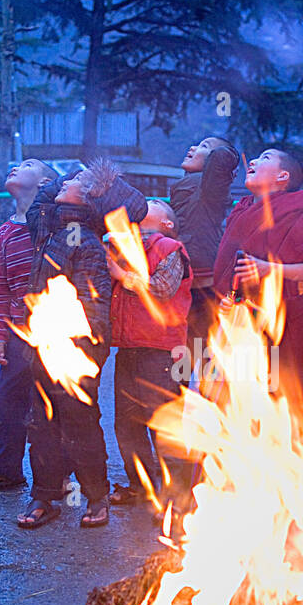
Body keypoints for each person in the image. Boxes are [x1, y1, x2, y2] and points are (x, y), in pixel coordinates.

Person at [17, 159, 147, 530]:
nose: (64, 181)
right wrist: (75, 177)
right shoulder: (49, 227)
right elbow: (46, 194)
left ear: (90, 198)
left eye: (75, 181)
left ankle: (95, 496)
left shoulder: (86, 239)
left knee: (80, 422)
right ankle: (44, 496)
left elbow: (95, 302)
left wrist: (85, 351)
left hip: (76, 352)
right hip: (41, 344)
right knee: (40, 423)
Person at [210, 148, 303, 442]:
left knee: (280, 402)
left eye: (266, 158)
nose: (255, 161)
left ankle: (282, 480)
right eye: (255, 158)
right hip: (239, 319)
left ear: (283, 176)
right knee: (232, 400)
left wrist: (266, 269)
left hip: (283, 322)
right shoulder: (243, 209)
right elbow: (229, 267)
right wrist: (228, 297)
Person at [0, 158, 61, 492]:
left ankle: (56, 476)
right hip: (17, 332)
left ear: (43, 183)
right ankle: (8, 469)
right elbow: (0, 288)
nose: (14, 166)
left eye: (28, 164)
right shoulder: (4, 233)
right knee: (7, 402)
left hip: (55, 332)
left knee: (50, 405)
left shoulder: (55, 224)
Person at [107, 199, 192, 511]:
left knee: (165, 423)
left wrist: (119, 273)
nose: (145, 204)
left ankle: (177, 499)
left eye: (154, 204)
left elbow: (160, 289)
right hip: (130, 348)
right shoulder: (127, 246)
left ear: (167, 222)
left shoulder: (170, 247)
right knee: (127, 423)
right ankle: (140, 487)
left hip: (165, 351)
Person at [169, 136, 239, 366]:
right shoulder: (188, 185)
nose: (192, 147)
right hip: (183, 282)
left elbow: (222, 160)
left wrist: (226, 157)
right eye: (196, 143)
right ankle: (180, 400)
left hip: (204, 285)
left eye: (203, 146)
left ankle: (211, 400)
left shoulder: (210, 189)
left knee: (206, 356)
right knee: (181, 356)